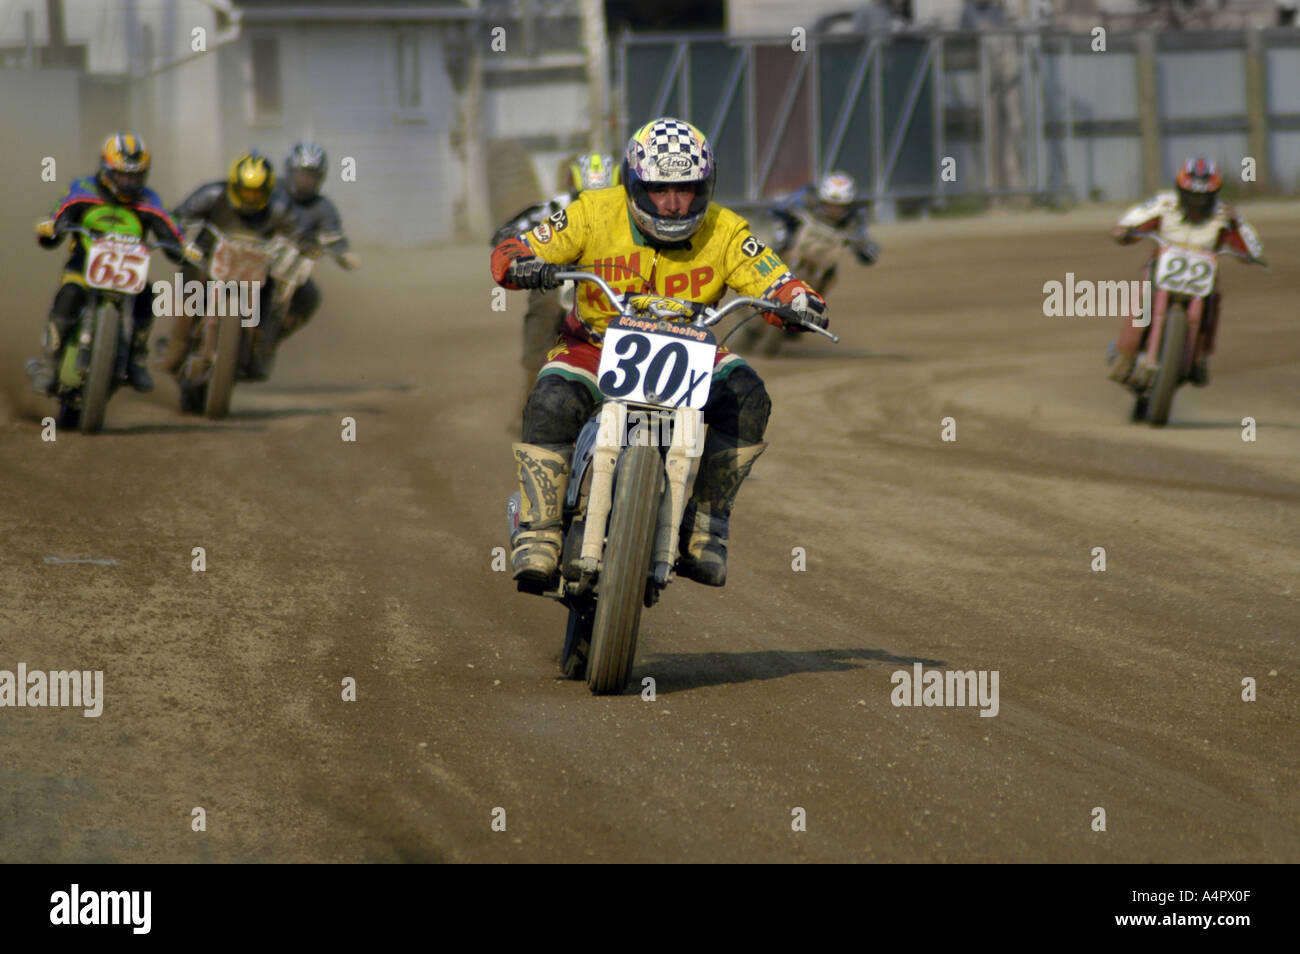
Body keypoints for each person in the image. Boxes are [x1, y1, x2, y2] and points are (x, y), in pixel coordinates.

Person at [490, 117, 829, 589]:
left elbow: (774, 276)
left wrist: (795, 299)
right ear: (633, 183)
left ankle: (707, 527)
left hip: (693, 349)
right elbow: (516, 249)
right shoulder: (591, 211)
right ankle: (540, 530)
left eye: (686, 190)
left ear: (706, 186)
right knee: (549, 400)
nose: (672, 204)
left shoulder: (726, 230)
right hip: (594, 345)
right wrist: (521, 262)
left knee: (748, 395)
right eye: (658, 189)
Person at [28, 133, 186, 394]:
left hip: (129, 276)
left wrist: (184, 247)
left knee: (148, 294)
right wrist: (49, 228)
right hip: (82, 267)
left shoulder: (150, 201)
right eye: (123, 175)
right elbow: (57, 216)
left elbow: (171, 231)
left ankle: (136, 359)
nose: (129, 182)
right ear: (105, 169)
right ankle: (49, 363)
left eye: (135, 177)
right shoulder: (82, 190)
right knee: (69, 294)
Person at [1106, 157, 1263, 389]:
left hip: (1202, 279)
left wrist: (1238, 224)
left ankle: (1200, 357)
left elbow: (1252, 248)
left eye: (1203, 197)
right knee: (1142, 298)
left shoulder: (1225, 215)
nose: (1197, 203)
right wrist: (1124, 230)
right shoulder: (1163, 203)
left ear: (1214, 195)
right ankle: (1125, 354)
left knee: (1214, 300)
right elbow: (1133, 221)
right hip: (1160, 272)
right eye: (1191, 196)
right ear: (1180, 191)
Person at [161, 151, 298, 382]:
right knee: (189, 286)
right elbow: (176, 217)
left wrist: (302, 246)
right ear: (234, 184)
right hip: (207, 261)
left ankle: (258, 347)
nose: (250, 198)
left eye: (257, 193)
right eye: (245, 190)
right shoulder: (211, 194)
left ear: (268, 191)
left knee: (274, 295)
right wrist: (180, 237)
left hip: (255, 270)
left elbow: (296, 235)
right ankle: (178, 342)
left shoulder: (280, 208)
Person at [491, 152, 621, 382]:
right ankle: (534, 378)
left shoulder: (633, 210)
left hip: (621, 277)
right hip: (563, 277)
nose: (595, 204)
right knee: (545, 303)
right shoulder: (554, 207)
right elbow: (505, 235)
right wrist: (520, 245)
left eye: (605, 196)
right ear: (572, 190)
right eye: (586, 196)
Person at [274, 142, 360, 348]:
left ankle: (270, 341)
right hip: (254, 255)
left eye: (312, 177)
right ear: (289, 171)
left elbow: (334, 238)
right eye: (302, 174)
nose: (306, 181)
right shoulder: (270, 189)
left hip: (287, 267)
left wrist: (343, 254)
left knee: (310, 297)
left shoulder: (323, 207)